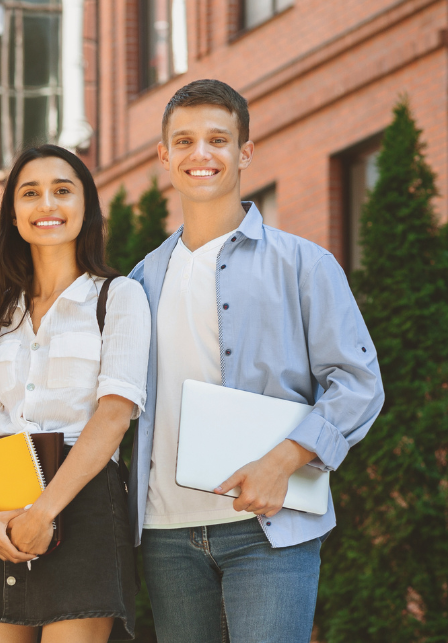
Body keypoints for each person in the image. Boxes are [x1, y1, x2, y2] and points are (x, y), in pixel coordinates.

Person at [128, 79, 385, 643]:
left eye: (219, 140)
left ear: (245, 152)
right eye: (186, 141)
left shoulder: (305, 264)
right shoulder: (139, 281)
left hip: (270, 528)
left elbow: (359, 382)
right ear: (164, 156)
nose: (202, 154)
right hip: (167, 532)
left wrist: (286, 458)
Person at [0, 144, 147, 642]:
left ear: (86, 207)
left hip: (80, 501)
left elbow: (114, 416)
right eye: (30, 193)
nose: (47, 205)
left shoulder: (118, 296)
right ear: (13, 215)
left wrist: (44, 512)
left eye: (63, 191)